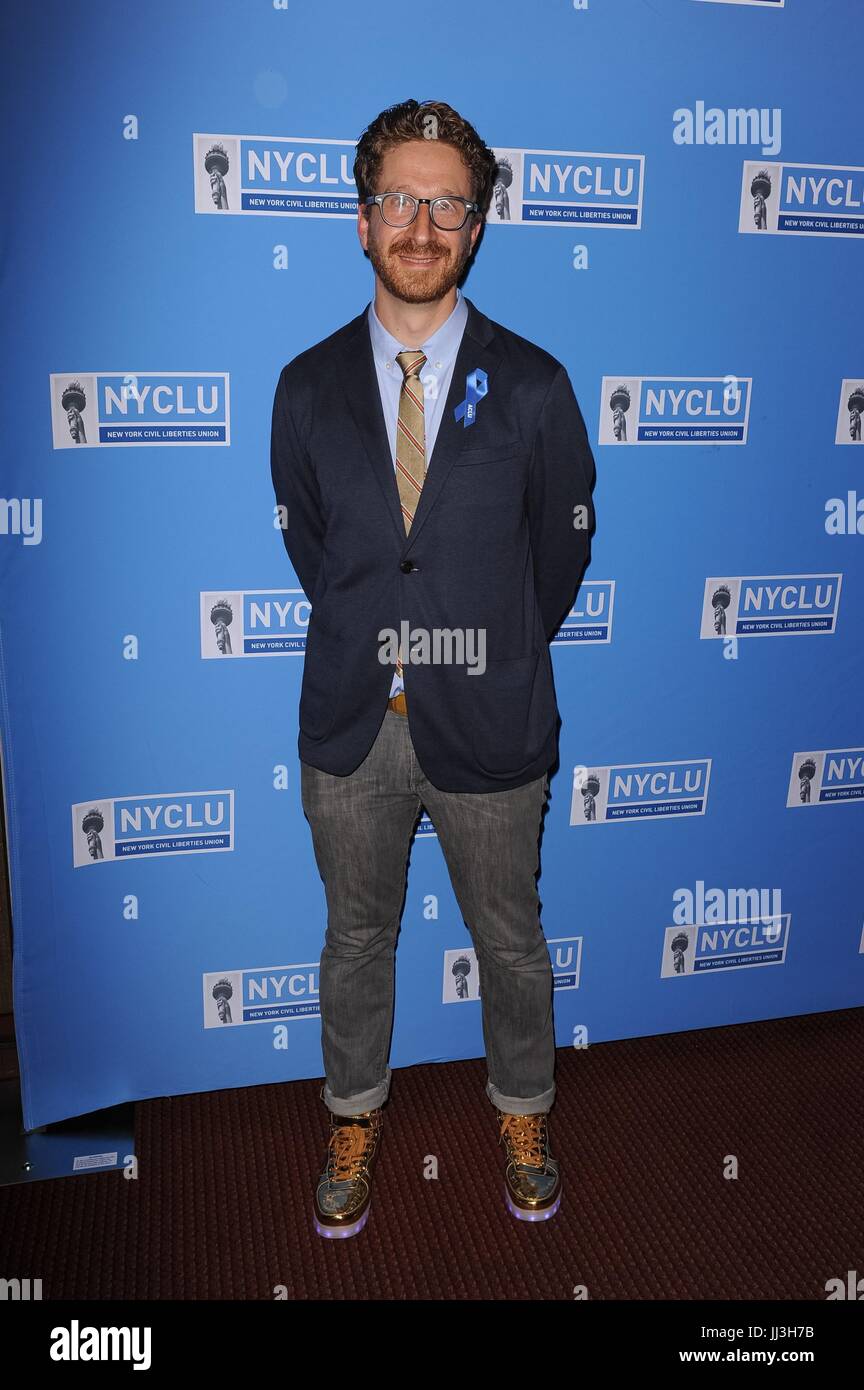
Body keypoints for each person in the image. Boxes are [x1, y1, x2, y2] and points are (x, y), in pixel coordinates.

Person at [270, 98, 596, 1239]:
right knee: (356, 936)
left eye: (448, 202)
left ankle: (524, 1107)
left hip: (493, 718)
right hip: (353, 718)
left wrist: (489, 646)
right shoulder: (306, 387)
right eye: (401, 199)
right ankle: (353, 1113)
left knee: (509, 938)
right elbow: (318, 548)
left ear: (475, 225)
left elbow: (559, 552)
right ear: (364, 221)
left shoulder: (538, 383)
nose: (423, 222)